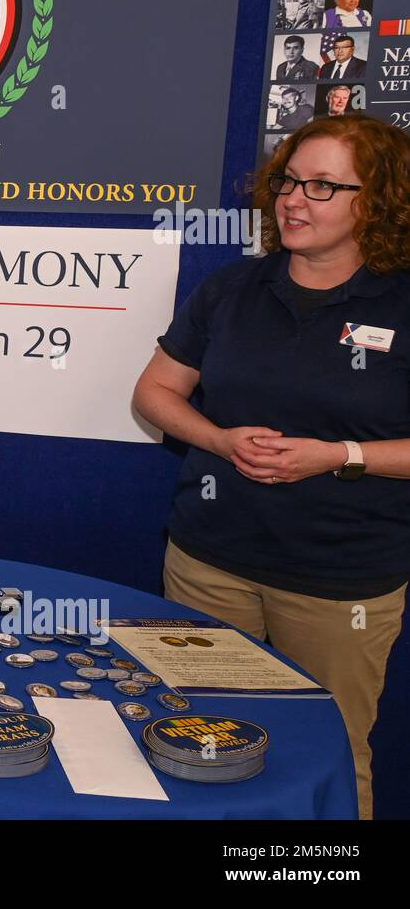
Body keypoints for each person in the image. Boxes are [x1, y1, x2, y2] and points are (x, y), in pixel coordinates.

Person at [133, 115, 410, 820]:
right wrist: (221, 440)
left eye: (322, 186)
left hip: (338, 584)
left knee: (331, 754)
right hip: (208, 565)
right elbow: (155, 393)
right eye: (289, 180)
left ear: (375, 201)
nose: (293, 199)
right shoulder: (233, 289)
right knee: (190, 739)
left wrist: (338, 457)